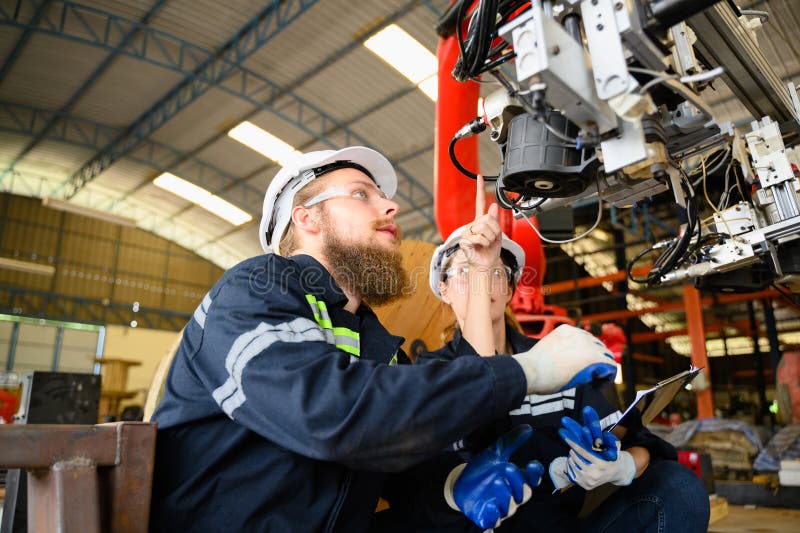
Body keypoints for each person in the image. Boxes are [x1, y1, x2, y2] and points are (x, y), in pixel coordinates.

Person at [148, 146, 617, 531]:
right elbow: (330, 414)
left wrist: (452, 487)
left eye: (383, 196)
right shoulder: (255, 290)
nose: (391, 206)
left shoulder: (373, 341)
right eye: (361, 194)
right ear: (307, 219)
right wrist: (529, 370)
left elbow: (394, 463)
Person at [378, 200, 710, 532]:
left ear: (509, 289)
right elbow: (416, 486)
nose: (482, 282)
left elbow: (641, 443)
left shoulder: (557, 360)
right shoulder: (426, 376)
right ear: (444, 290)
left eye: (495, 272)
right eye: (466, 271)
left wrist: (619, 465)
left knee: (678, 487)